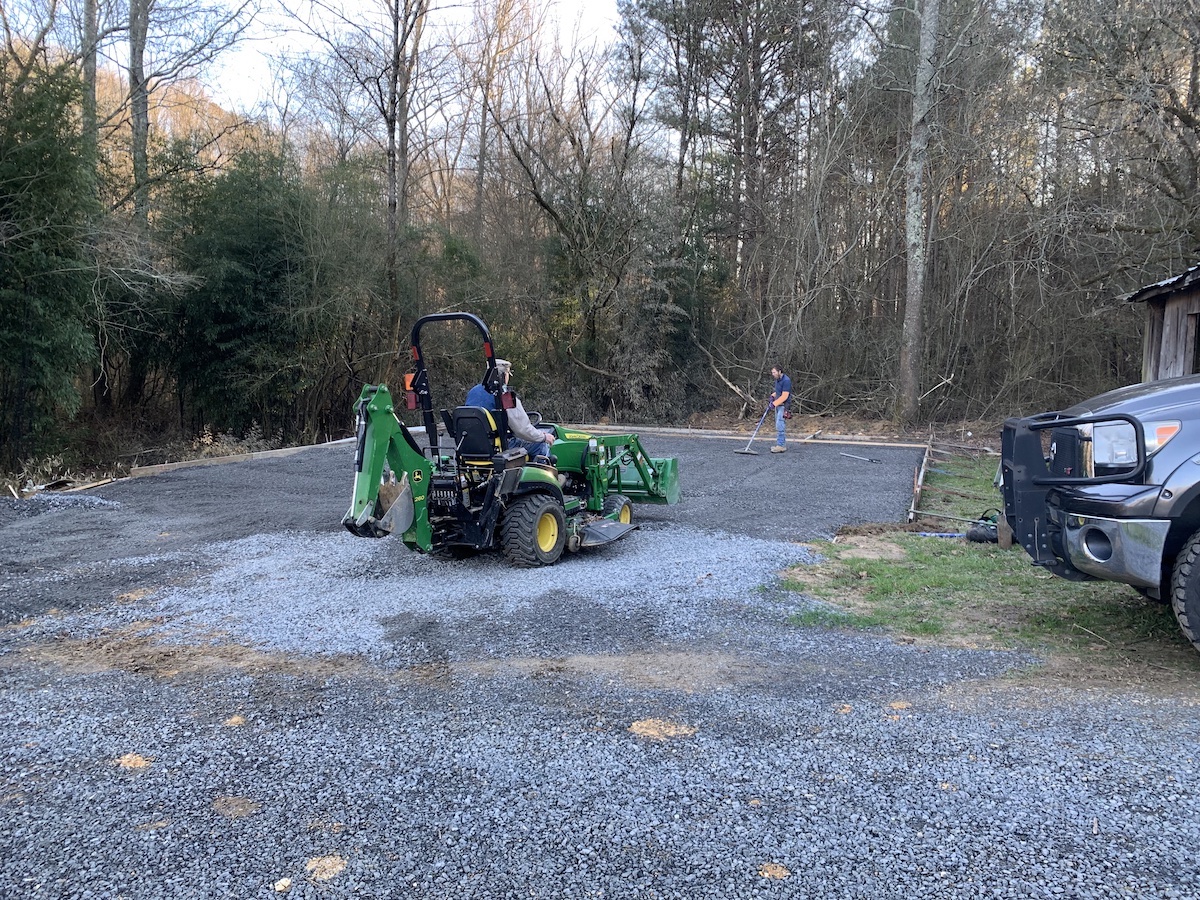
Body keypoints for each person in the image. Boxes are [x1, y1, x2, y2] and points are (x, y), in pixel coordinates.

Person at [464, 359, 556, 461]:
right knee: (540, 445)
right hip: (499, 447)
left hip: (472, 446)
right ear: (504, 375)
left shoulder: (473, 392)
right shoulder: (505, 396)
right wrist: (543, 437)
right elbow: (522, 429)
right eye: (508, 374)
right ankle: (542, 475)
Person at [768, 365, 792, 453]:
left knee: (780, 424)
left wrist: (774, 404)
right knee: (778, 424)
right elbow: (779, 392)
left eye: (774, 372)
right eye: (772, 373)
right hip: (778, 405)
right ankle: (780, 444)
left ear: (779, 371)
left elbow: (785, 395)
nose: (773, 374)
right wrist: (772, 396)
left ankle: (781, 445)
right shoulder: (778, 380)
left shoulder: (786, 381)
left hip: (784, 405)